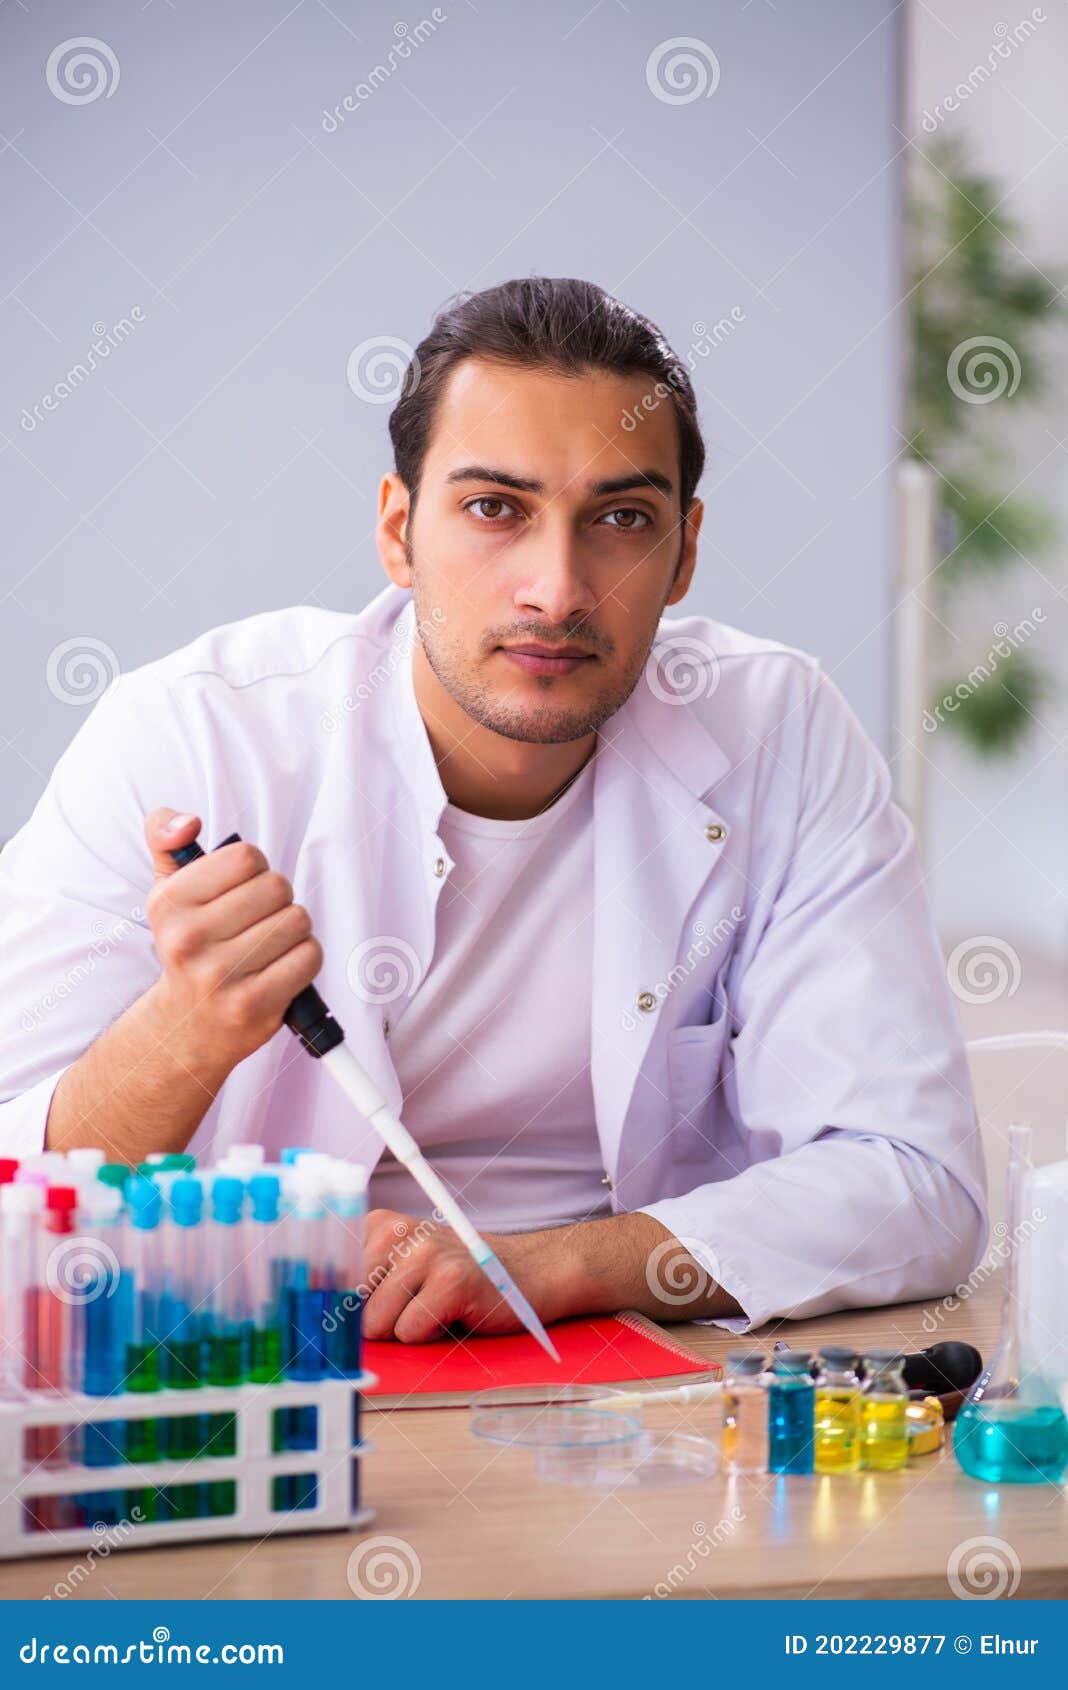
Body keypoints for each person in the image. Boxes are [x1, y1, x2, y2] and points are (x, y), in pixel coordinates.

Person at [0, 276, 987, 1341]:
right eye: (493, 509)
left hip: (629, 1384)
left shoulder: (778, 728)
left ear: (685, 550)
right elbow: (16, 1199)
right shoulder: (189, 739)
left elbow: (916, 1183)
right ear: (398, 529)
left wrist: (550, 1267)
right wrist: (186, 1032)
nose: (556, 589)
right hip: (244, 1364)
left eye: (620, 518)